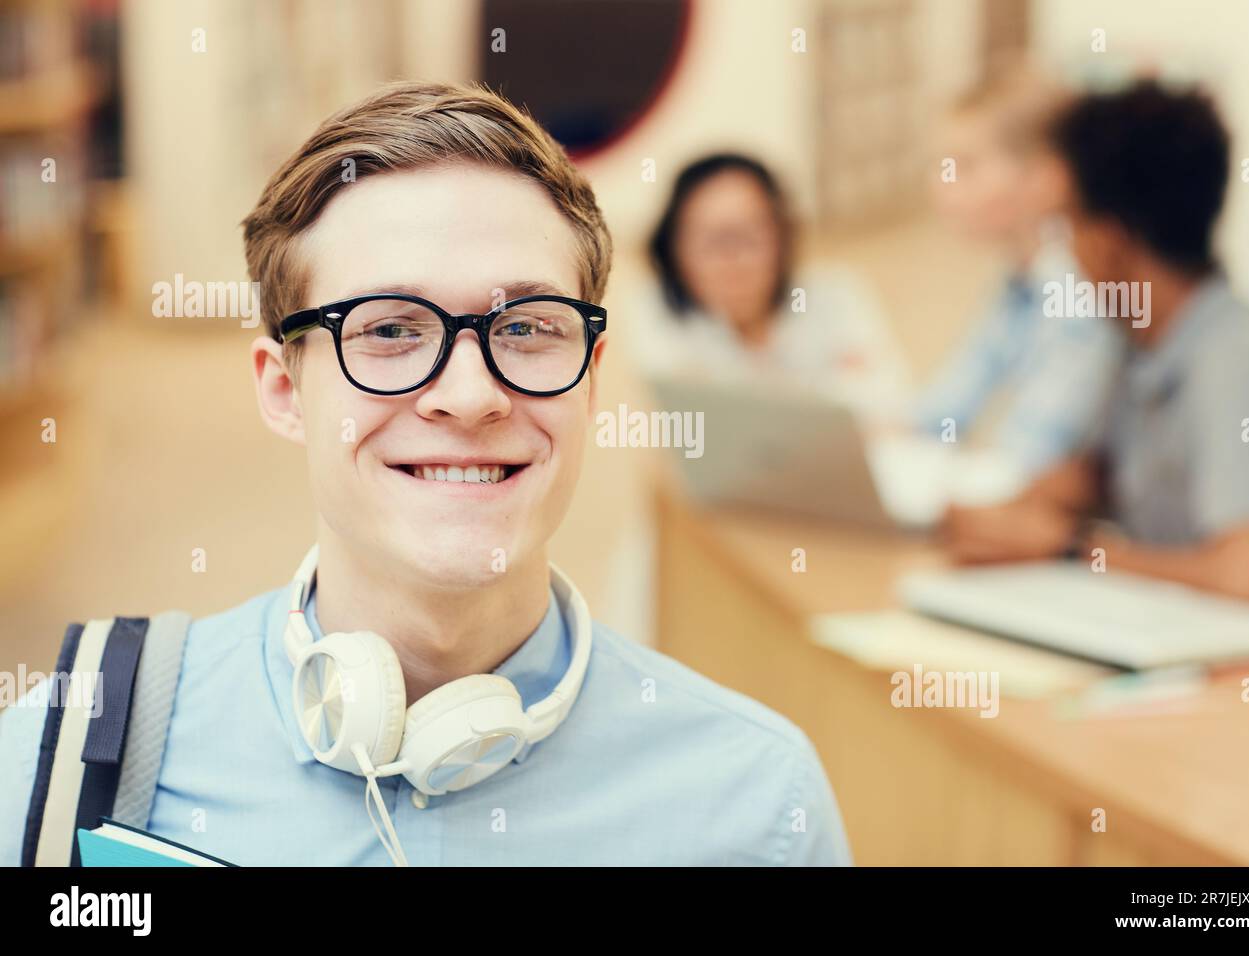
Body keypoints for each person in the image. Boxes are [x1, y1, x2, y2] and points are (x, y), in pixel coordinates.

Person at [0, 82, 852, 866]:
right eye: (389, 329)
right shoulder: (66, 754)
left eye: (526, 329)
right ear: (284, 390)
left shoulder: (756, 805)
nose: (471, 395)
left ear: (591, 380)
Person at [942, 80, 1249, 610]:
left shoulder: (1231, 358)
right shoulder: (1139, 341)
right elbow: (1096, 473)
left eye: (1066, 227)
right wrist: (1007, 516)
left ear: (1109, 245)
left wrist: (1069, 552)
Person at [910, 66, 1124, 482]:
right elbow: (944, 411)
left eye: (964, 167)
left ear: (1046, 177)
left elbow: (1030, 457)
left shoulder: (1077, 295)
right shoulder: (1019, 281)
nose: (940, 184)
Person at [636, 152, 911, 423]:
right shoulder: (659, 313)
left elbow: (891, 409)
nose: (734, 260)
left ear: (782, 236)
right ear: (675, 251)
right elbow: (672, 441)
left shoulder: (836, 297)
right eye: (713, 241)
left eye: (749, 235)